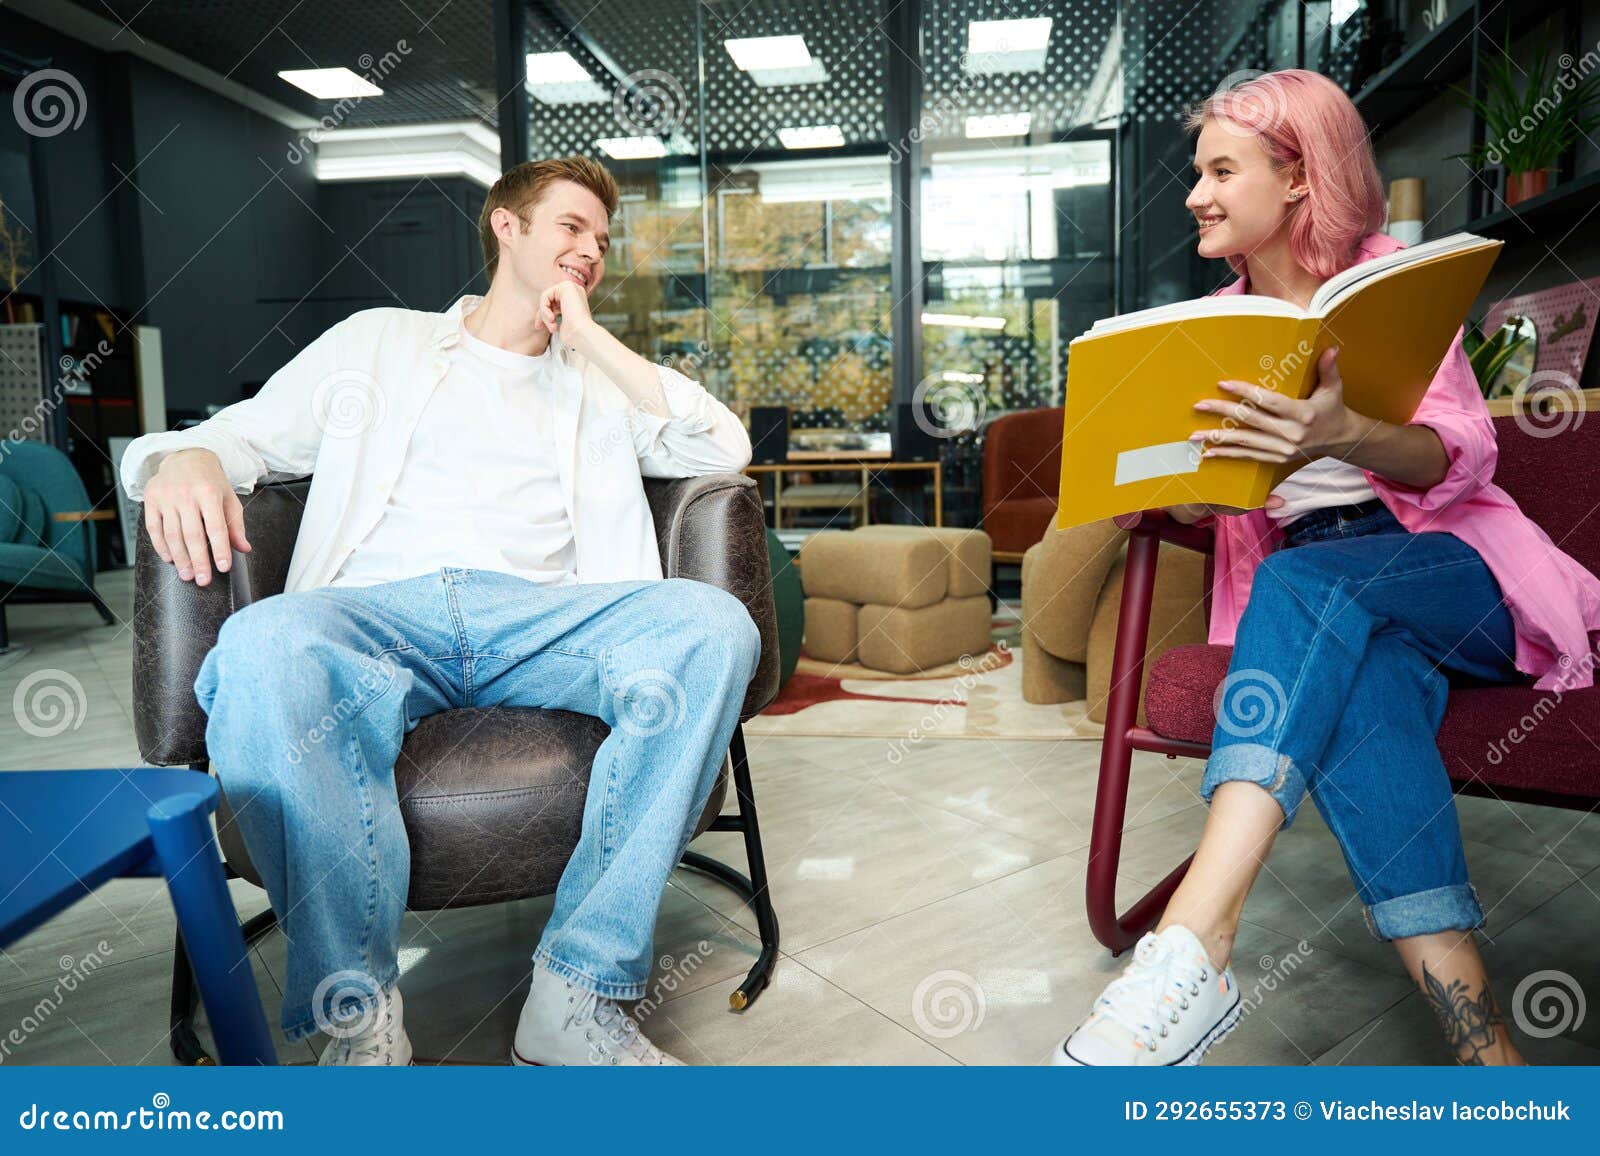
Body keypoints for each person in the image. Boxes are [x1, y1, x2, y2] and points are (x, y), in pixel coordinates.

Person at [121, 157, 761, 1067]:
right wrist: (184, 458)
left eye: (602, 240)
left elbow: (723, 445)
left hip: (545, 622)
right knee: (262, 644)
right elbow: (241, 434)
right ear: (506, 226)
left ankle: (576, 992)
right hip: (380, 618)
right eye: (571, 227)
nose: (591, 250)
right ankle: (358, 1012)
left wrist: (589, 339)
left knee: (714, 627)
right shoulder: (379, 343)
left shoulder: (598, 381)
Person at [1052, 70, 1600, 1066]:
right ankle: (1490, 1062)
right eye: (1197, 173)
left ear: (1299, 176)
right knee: (1364, 701)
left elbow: (1464, 454)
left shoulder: (1392, 282)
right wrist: (1189, 492)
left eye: (1222, 171)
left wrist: (1343, 432)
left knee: (1308, 587)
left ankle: (1195, 939)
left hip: (1450, 570)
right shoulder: (1214, 324)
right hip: (1325, 597)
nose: (1195, 195)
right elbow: (1157, 489)